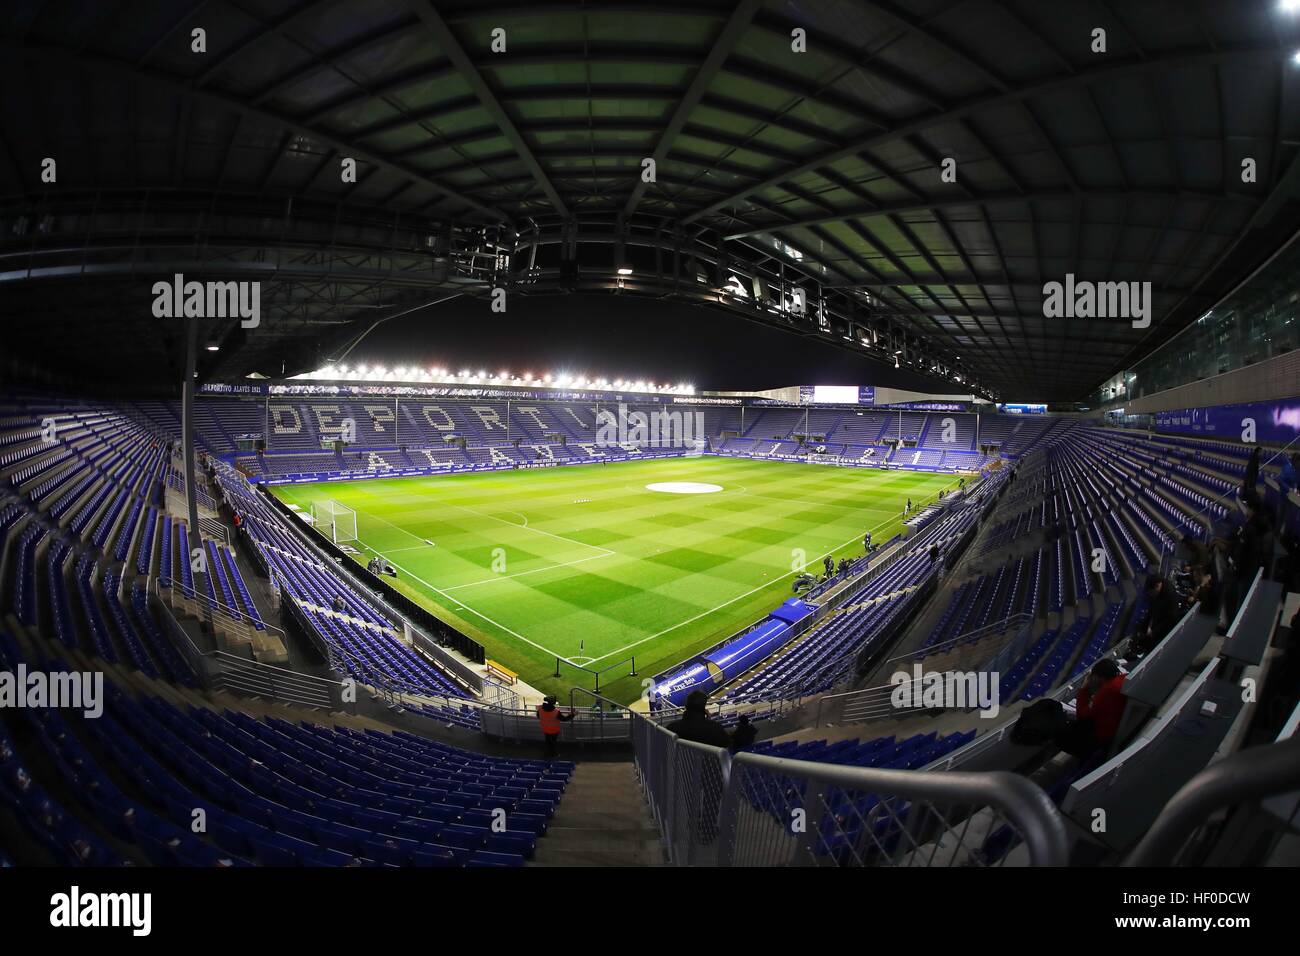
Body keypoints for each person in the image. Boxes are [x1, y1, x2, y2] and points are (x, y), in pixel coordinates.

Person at [1056, 659, 1127, 758]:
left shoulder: (1107, 690)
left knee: (1059, 729)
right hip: (1115, 730)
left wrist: (1083, 689)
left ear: (1099, 677)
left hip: (1100, 738)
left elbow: (1081, 715)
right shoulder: (1121, 680)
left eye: (1093, 676)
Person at [666, 691, 732, 748]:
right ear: (704, 708)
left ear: (686, 706)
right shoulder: (714, 728)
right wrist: (709, 721)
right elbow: (726, 743)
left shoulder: (671, 728)